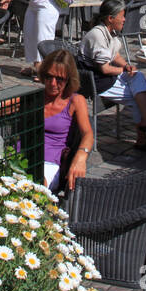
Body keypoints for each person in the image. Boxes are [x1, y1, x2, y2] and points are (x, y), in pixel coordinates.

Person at [79, 0, 146, 150]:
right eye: (122, 16)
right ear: (110, 18)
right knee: (136, 97)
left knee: (138, 76)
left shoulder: (109, 32)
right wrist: (123, 70)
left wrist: (127, 66)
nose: (124, 20)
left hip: (107, 77)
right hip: (98, 81)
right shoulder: (98, 35)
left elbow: (114, 55)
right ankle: (142, 137)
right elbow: (105, 68)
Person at [38, 49, 93, 193]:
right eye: (49, 77)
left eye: (59, 79)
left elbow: (88, 134)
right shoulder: (35, 97)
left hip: (50, 163)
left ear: (69, 79)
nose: (52, 83)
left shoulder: (75, 100)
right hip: (24, 155)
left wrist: (81, 156)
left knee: (36, 185)